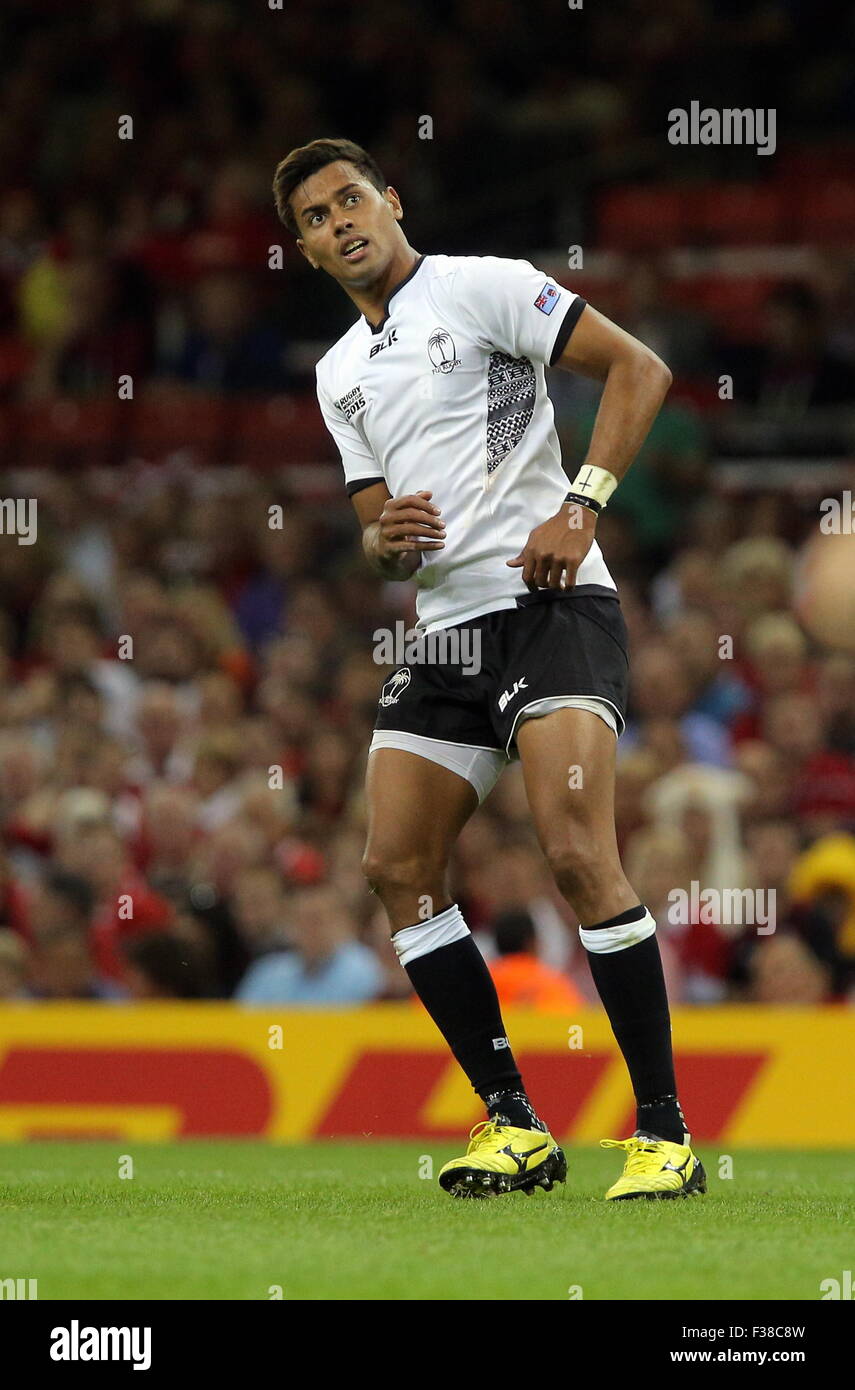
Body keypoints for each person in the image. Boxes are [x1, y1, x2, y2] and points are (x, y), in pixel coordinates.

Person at [272, 137, 705, 1201]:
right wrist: (387, 542)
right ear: (307, 250)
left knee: (574, 852)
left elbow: (639, 368)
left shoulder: (486, 289)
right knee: (392, 868)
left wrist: (582, 502)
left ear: (391, 198)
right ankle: (514, 1122)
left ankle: (664, 1135)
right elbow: (376, 530)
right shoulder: (340, 375)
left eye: (351, 198)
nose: (341, 222)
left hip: (554, 603)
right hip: (450, 628)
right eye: (318, 218)